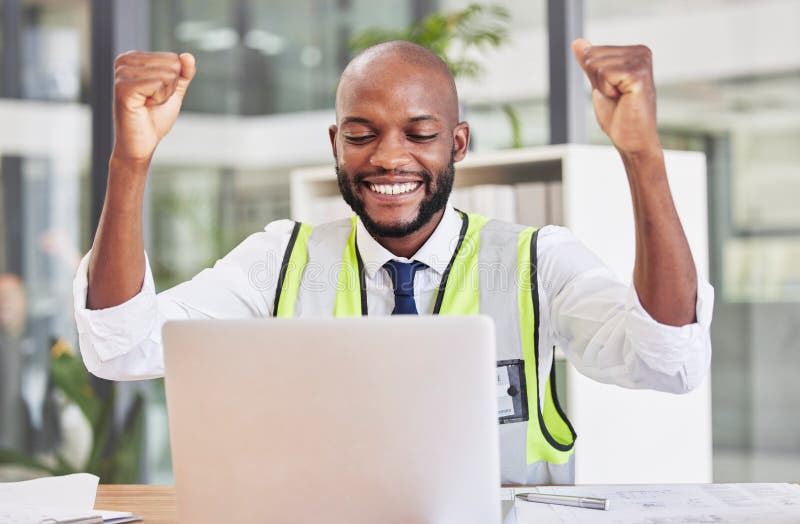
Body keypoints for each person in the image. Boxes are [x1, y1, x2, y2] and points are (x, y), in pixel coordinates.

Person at [73, 39, 713, 484]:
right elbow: (120, 347)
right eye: (361, 134)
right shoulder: (281, 259)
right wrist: (130, 162)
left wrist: (642, 155)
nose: (388, 157)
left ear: (458, 143)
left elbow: (669, 361)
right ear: (335, 144)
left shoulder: (535, 261)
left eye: (420, 133)